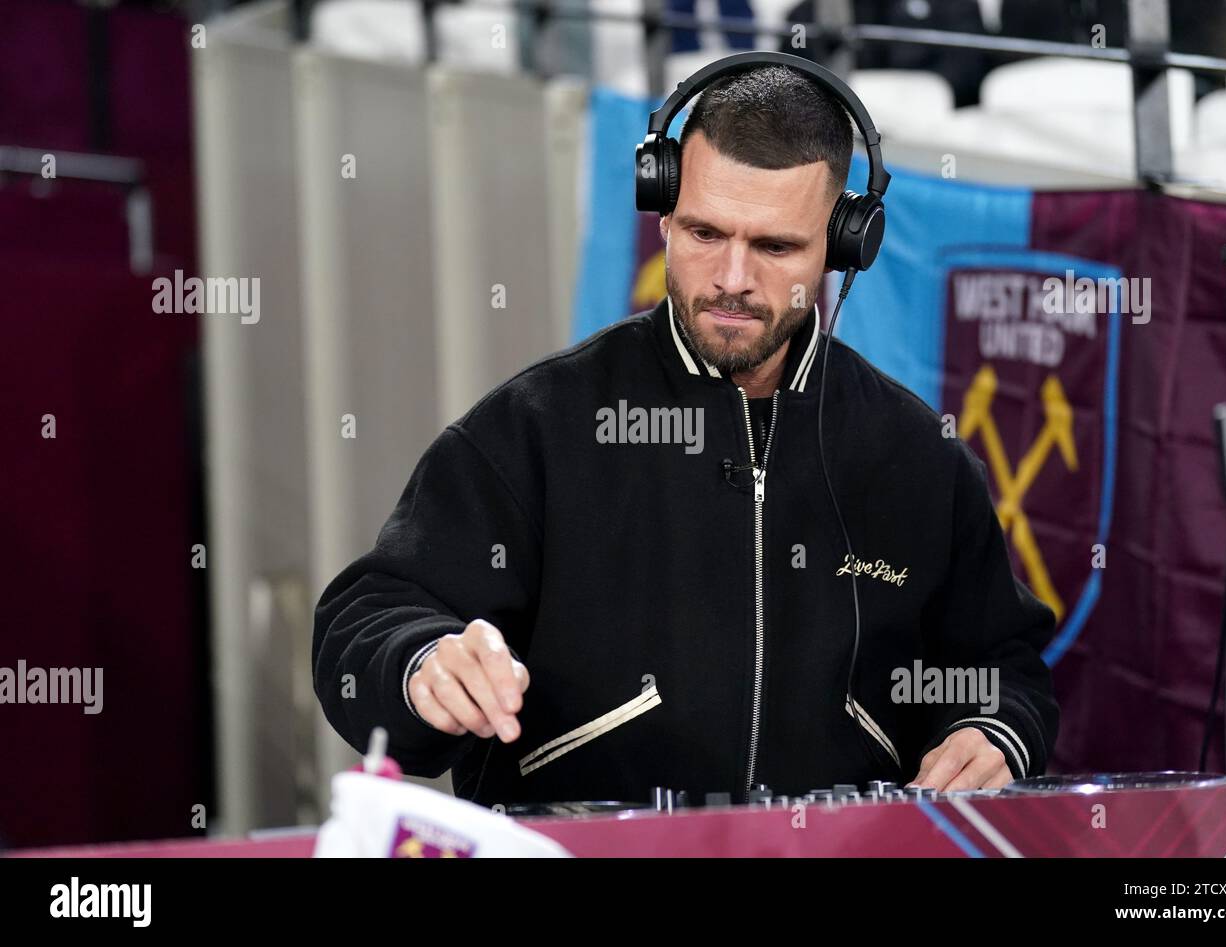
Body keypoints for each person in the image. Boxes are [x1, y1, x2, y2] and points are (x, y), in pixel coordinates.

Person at [313, 63, 1058, 806]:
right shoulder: (536, 428)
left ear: (840, 245)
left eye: (773, 247)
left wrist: (992, 729)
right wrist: (424, 663)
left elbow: (1003, 665)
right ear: (663, 212)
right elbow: (369, 614)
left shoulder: (915, 457)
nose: (731, 278)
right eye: (705, 232)